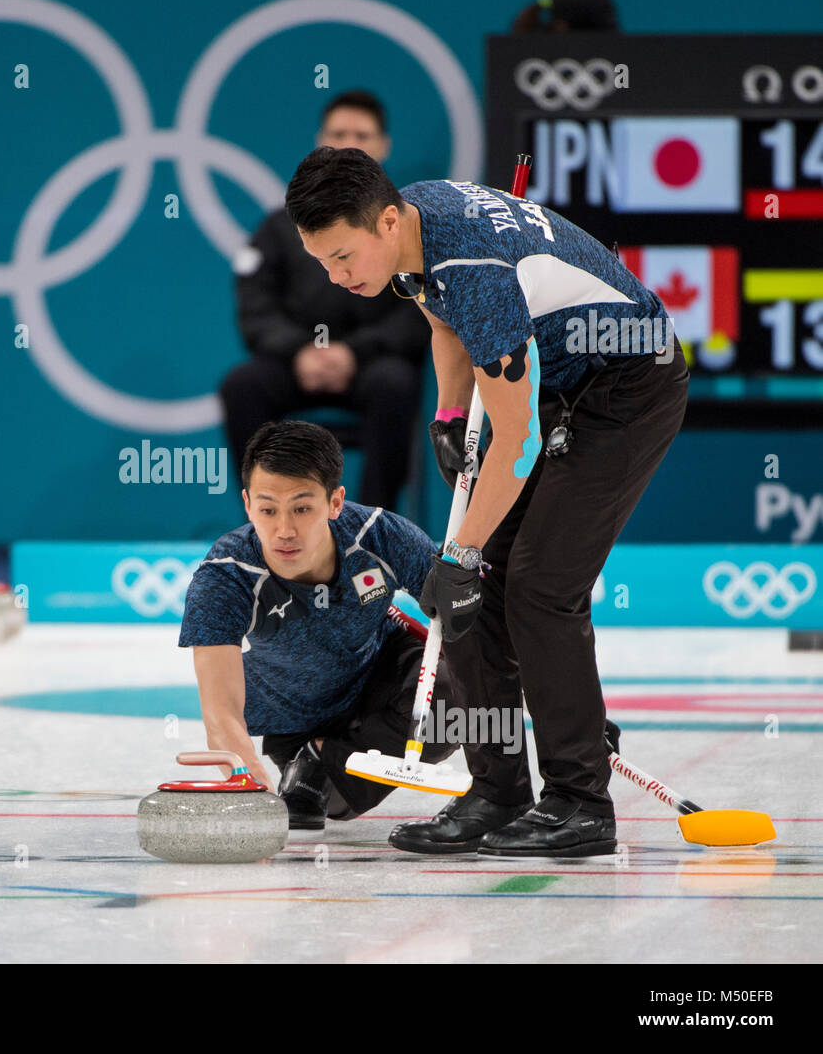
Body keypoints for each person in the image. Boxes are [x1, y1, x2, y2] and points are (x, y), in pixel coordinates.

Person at [283, 147, 687, 856]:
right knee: (473, 593)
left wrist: (460, 552)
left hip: (629, 386)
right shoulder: (410, 222)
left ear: (382, 222)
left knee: (534, 586)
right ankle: (497, 791)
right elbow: (440, 318)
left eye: (343, 257)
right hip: (560, 380)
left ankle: (579, 801)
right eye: (323, 264)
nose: (337, 278)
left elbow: (519, 440)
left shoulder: (474, 272)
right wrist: (447, 414)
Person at [178, 420, 455, 830]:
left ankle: (326, 756)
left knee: (456, 707)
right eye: (268, 509)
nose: (284, 530)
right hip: (295, 722)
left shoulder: (380, 537)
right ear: (248, 504)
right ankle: (312, 758)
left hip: (382, 674)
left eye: (302, 508)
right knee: (322, 806)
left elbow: (468, 625)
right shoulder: (225, 578)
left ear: (335, 502)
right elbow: (221, 719)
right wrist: (256, 796)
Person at [220, 91, 430, 511]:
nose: (350, 143)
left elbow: (420, 312)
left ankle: (373, 525)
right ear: (319, 140)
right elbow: (255, 308)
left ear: (383, 145)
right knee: (242, 385)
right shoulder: (280, 228)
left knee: (396, 383)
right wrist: (301, 351)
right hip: (295, 364)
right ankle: (270, 512)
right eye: (338, 133)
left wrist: (353, 353)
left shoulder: (401, 224)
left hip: (374, 367)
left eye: (362, 134)